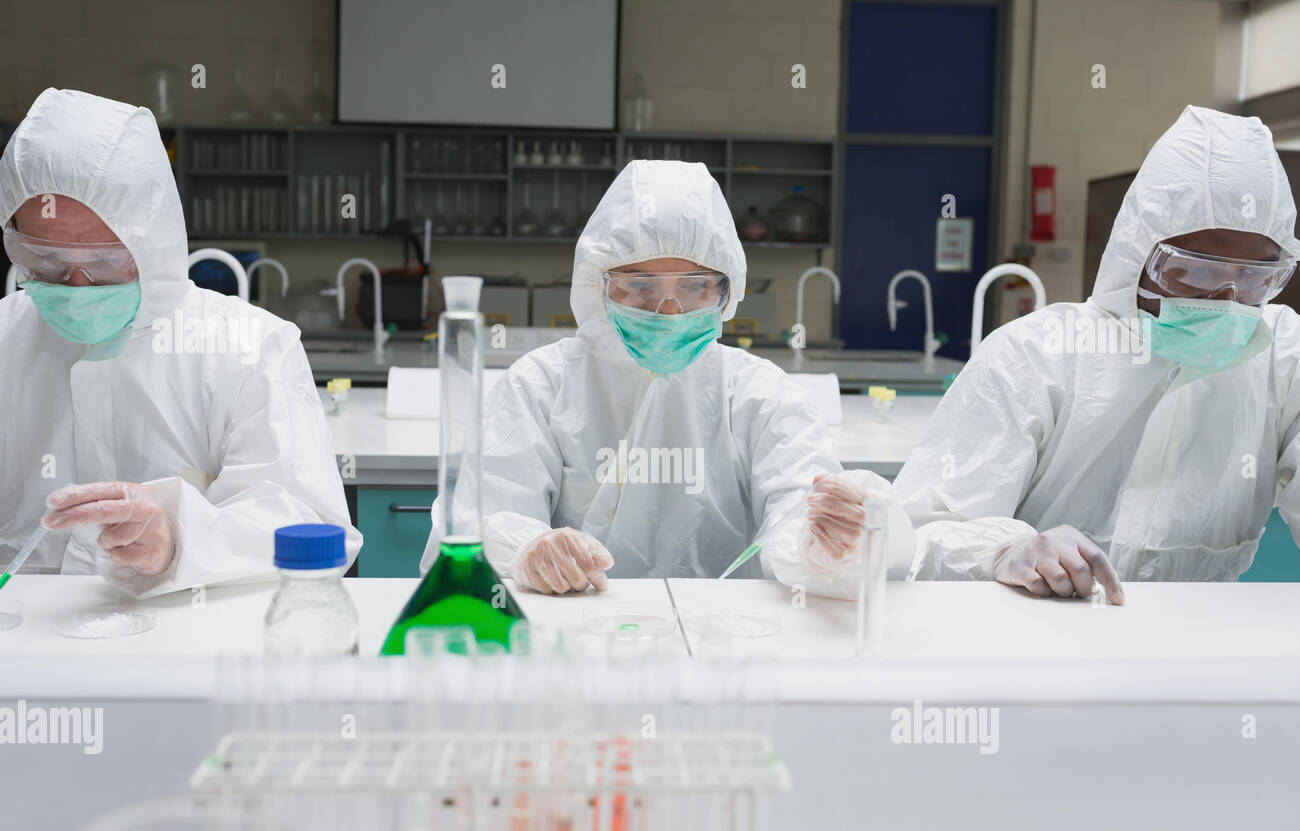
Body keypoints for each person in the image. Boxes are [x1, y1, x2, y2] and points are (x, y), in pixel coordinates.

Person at [421, 160, 913, 596]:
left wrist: (827, 542)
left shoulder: (758, 395)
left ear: (727, 291)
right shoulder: (540, 386)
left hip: (726, 648)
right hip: (577, 639)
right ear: (599, 285)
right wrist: (526, 549)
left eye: (696, 286)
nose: (669, 310)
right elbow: (479, 520)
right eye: (639, 285)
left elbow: (802, 508)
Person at [893, 106, 1300, 600]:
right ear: (1139, 252)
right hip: (1029, 647)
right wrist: (1003, 550)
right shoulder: (1035, 356)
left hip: (1199, 654)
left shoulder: (1282, 357)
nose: (1229, 298)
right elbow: (920, 532)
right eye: (1196, 271)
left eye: (1257, 275)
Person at [0, 89, 360, 596]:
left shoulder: (248, 347)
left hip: (190, 643)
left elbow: (310, 526)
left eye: (105, 263)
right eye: (47, 262)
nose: (76, 288)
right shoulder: (5, 341)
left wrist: (180, 539)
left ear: (153, 240)